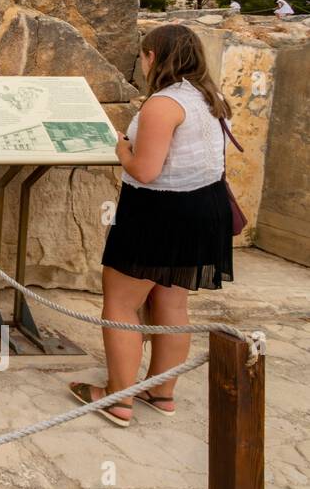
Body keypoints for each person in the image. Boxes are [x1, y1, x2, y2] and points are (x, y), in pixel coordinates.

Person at [70, 24, 234, 426]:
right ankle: (161, 391)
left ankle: (117, 397)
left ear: (155, 57)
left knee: (122, 302)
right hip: (204, 205)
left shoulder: (162, 103)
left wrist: (123, 150)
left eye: (143, 55)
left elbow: (145, 170)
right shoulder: (209, 97)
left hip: (160, 212)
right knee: (172, 303)